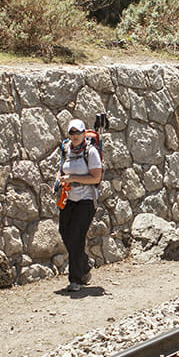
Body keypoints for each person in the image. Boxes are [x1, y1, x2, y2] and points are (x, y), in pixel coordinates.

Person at [54, 118, 103, 289]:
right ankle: (84, 264)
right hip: (68, 198)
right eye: (72, 133)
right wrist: (59, 181)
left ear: (84, 133)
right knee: (64, 231)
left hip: (86, 199)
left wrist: (73, 178)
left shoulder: (91, 152)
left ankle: (75, 279)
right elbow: (62, 168)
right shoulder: (66, 149)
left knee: (76, 235)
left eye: (78, 132)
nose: (75, 136)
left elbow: (96, 177)